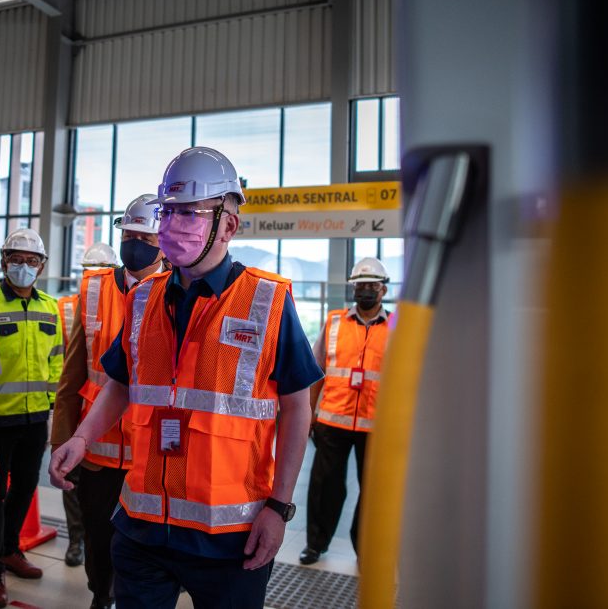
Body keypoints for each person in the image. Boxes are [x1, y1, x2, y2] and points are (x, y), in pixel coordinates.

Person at [49, 147, 322, 609]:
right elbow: (120, 384)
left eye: (189, 213)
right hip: (143, 526)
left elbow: (298, 406)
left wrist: (278, 507)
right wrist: (82, 438)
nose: (172, 225)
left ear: (228, 225)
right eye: (168, 211)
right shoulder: (143, 300)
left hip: (230, 536)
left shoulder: (267, 302)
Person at [51, 196, 165, 609]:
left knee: (143, 546)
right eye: (129, 235)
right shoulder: (94, 288)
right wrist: (61, 441)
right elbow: (73, 374)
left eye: (145, 237)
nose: (135, 244)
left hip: (150, 452)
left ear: (163, 241)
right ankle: (101, 595)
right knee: (100, 538)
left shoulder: (179, 290)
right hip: (96, 451)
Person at [0, 227, 63, 607]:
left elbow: (56, 360)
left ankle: (11, 549)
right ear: (3, 262)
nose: (23, 267)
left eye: (31, 261)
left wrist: (50, 412)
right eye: (16, 259)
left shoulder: (50, 307)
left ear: (42, 266)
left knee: (25, 488)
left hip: (33, 420)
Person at [300, 257, 392, 565]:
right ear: (353, 288)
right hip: (332, 420)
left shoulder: (395, 328)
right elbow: (316, 372)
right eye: (360, 285)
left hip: (377, 426)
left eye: (372, 286)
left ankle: (366, 551)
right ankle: (315, 545)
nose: (366, 290)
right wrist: (309, 414)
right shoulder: (335, 322)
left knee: (374, 494)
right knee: (324, 487)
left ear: (383, 290)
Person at [56, 241, 119, 569]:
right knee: (75, 492)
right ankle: (76, 539)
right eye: (88, 271)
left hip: (118, 430)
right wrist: (62, 434)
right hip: (83, 422)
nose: (93, 277)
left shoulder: (135, 298)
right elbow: (68, 370)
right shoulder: (68, 305)